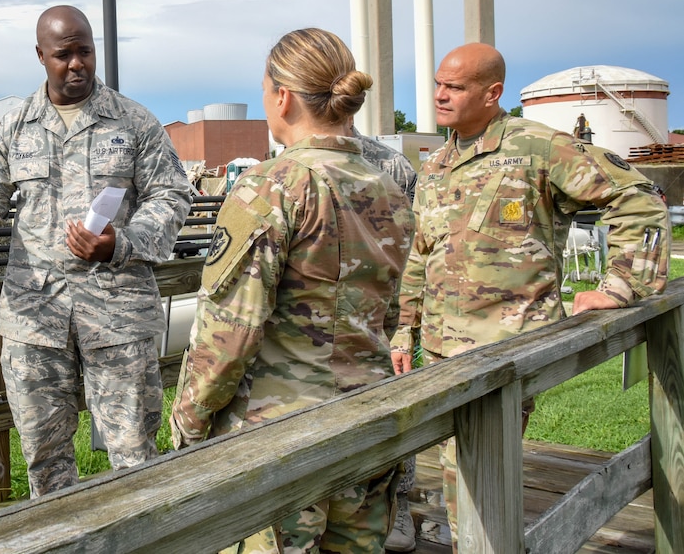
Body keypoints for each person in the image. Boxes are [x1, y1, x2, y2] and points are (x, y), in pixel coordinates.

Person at [391, 42, 669, 552]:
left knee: (475, 473)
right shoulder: (436, 165)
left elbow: (638, 199)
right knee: (458, 469)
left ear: (492, 92)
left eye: (455, 86)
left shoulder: (538, 148)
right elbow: (420, 252)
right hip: (438, 349)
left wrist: (620, 286)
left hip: (507, 348)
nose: (439, 95)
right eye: (438, 84)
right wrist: (402, 329)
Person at [170, 27, 415, 553]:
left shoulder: (273, 184)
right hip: (367, 421)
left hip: (280, 438)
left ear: (282, 96)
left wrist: (188, 421)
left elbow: (230, 330)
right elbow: (390, 311)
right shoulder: (388, 189)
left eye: (265, 90)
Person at [0, 5, 193, 498]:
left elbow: (171, 194)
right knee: (46, 466)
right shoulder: (13, 127)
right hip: (35, 318)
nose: (77, 64)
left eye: (85, 51)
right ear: (40, 56)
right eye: (63, 54)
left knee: (135, 460)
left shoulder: (134, 122)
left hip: (119, 317)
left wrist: (123, 242)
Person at [350, 124, 418, 552]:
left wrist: (405, 330)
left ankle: (400, 502)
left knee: (392, 405)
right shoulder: (285, 160)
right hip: (314, 322)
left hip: (378, 316)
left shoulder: (390, 165)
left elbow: (413, 253)